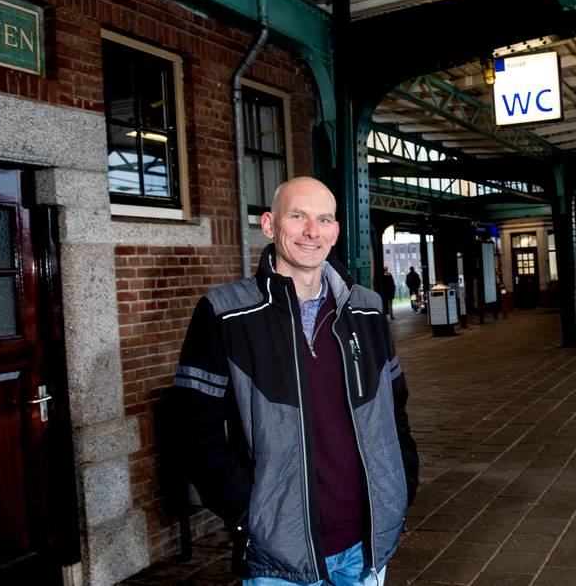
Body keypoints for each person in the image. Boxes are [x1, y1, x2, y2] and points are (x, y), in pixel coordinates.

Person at [174, 177, 419, 585]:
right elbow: (193, 431)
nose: (312, 231)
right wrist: (250, 514)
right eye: (298, 216)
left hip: (367, 550)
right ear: (269, 225)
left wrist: (402, 487)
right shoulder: (224, 314)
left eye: (324, 219)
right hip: (280, 558)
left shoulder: (368, 310)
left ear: (336, 231)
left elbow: (396, 410)